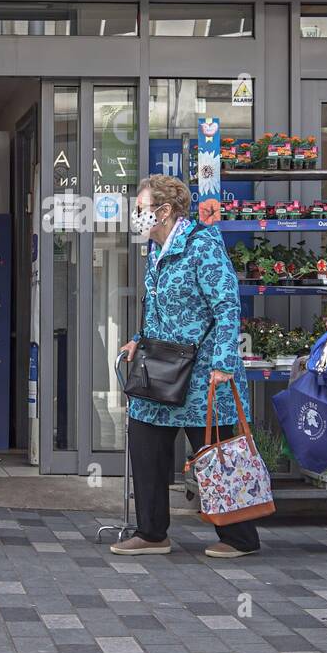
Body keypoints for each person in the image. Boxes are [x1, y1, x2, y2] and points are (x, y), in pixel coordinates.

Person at [110, 174, 258, 559]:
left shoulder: (202, 244)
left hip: (205, 369)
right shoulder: (155, 250)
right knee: (145, 442)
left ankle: (239, 537)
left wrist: (225, 362)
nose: (137, 215)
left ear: (165, 210)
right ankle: (152, 532)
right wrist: (139, 339)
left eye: (141, 208)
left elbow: (226, 305)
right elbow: (158, 305)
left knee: (216, 451)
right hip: (159, 365)